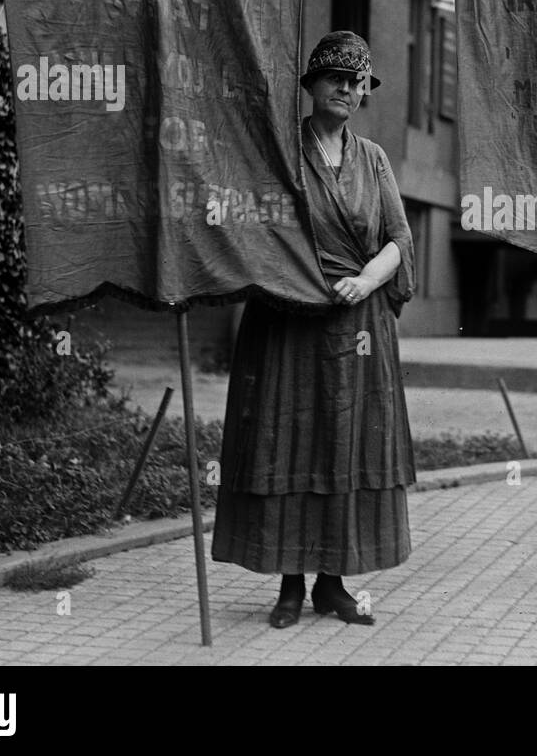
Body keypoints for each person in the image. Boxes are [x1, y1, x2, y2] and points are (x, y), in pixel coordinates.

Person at [211, 31, 416, 629]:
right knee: (288, 442)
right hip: (288, 321)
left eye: (357, 82)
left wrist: (368, 280)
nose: (347, 89)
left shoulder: (373, 159)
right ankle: (289, 585)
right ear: (311, 85)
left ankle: (332, 584)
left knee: (345, 446)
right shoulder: (281, 151)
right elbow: (253, 231)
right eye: (336, 78)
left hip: (358, 325)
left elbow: (400, 239)